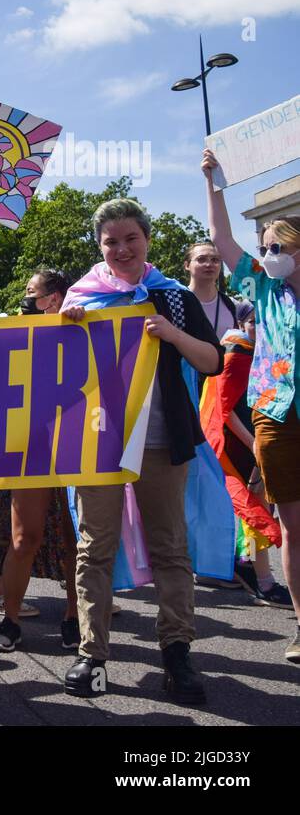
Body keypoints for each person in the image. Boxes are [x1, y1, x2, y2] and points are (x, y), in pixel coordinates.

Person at [62, 197, 223, 703]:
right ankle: (93, 655)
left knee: (171, 548)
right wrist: (61, 328)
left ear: (147, 240)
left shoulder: (173, 297)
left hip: (160, 440)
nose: (121, 248)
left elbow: (213, 361)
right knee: (95, 548)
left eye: (130, 238)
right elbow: (54, 370)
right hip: (99, 441)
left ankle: (177, 650)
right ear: (99, 247)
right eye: (111, 241)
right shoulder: (80, 297)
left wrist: (172, 335)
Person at [202, 149, 300, 663]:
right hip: (277, 415)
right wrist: (214, 184)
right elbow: (221, 240)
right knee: (292, 525)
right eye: (264, 246)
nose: (267, 253)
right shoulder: (261, 287)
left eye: (276, 246)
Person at [0, 268, 81, 652]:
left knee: (77, 538)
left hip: (78, 442)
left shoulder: (84, 323)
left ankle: (75, 616)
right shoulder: (14, 332)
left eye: (32, 291)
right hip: (31, 445)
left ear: (54, 297)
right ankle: (10, 620)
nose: (25, 297)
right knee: (24, 537)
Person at [199, 302, 290, 606]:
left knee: (254, 511)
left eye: (264, 321)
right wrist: (255, 445)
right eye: (253, 321)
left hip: (257, 437)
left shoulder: (260, 350)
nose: (259, 327)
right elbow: (225, 412)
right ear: (242, 323)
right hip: (240, 444)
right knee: (255, 511)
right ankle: (264, 582)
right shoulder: (236, 354)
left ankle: (246, 565)